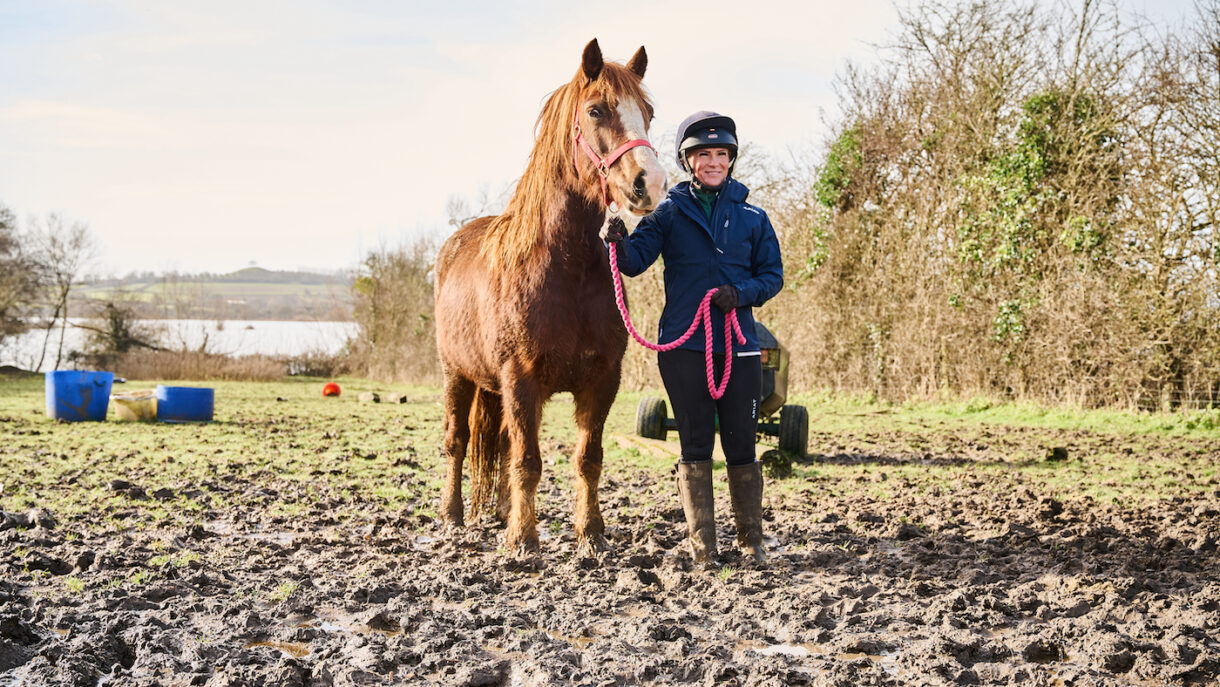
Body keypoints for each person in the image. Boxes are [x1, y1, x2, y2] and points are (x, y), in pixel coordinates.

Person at [602, 110, 783, 565]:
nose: (714, 162)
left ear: (732, 160)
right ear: (688, 161)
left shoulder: (753, 218)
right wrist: (616, 238)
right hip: (684, 346)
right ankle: (704, 547)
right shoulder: (667, 215)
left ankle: (752, 541)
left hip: (739, 345)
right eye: (704, 155)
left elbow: (772, 277)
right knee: (695, 442)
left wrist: (738, 293)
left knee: (742, 442)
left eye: (722, 154)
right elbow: (633, 262)